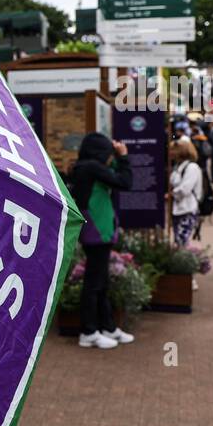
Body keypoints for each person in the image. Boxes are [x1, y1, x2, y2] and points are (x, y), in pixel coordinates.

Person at [69, 133, 134, 350]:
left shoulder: (88, 166)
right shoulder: (90, 168)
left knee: (101, 283)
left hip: (100, 232)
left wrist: (116, 156)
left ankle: (107, 326)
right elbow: (125, 182)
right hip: (96, 232)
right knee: (94, 283)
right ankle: (88, 332)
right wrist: (122, 157)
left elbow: (114, 174)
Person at [168, 139, 203, 249]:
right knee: (178, 240)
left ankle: (183, 263)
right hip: (177, 209)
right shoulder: (178, 167)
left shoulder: (192, 167)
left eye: (173, 149)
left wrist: (171, 194)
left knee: (182, 240)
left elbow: (185, 188)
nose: (170, 152)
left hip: (187, 208)